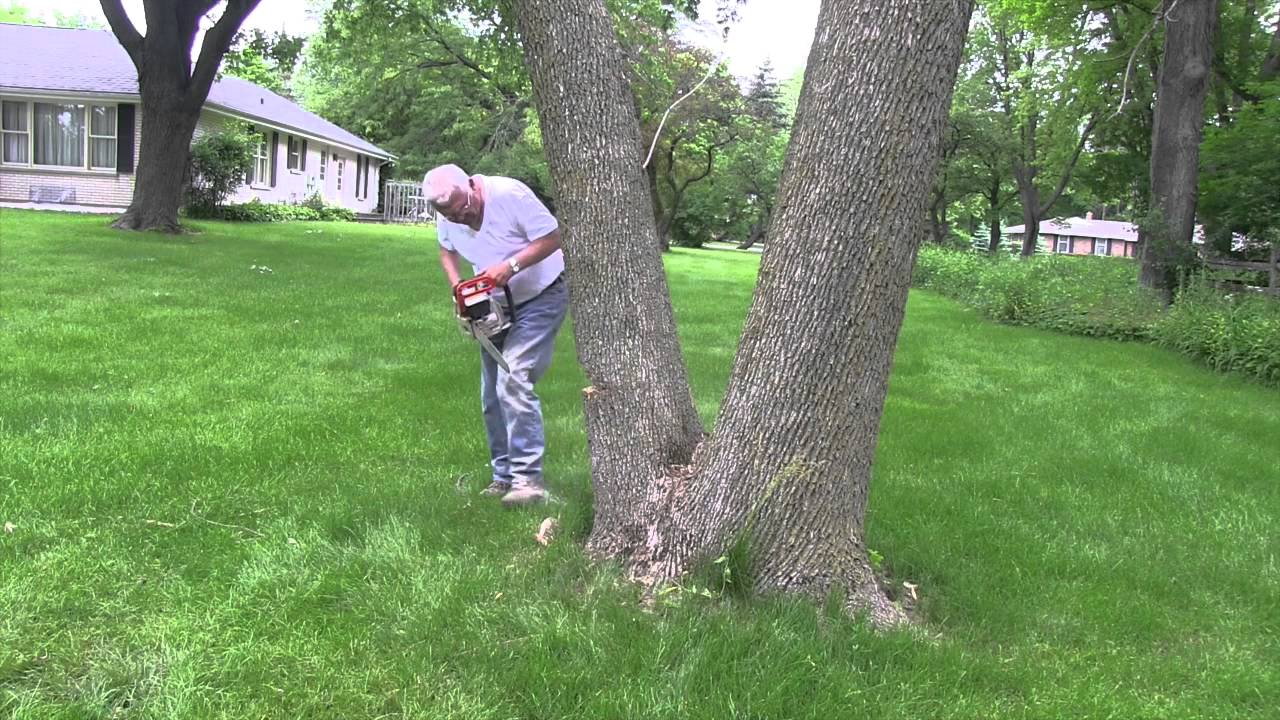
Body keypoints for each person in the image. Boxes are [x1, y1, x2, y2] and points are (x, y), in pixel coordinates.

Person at [423, 164, 568, 507]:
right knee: (492, 394)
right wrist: (458, 287)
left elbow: (554, 236)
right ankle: (503, 476)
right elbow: (446, 249)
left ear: (471, 185)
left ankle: (528, 482)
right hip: (493, 306)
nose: (461, 217)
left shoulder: (509, 194)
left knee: (513, 377)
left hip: (542, 295)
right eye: (452, 215)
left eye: (464, 208)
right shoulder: (449, 213)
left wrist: (512, 266)